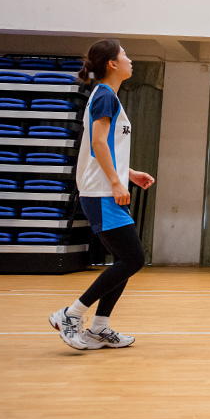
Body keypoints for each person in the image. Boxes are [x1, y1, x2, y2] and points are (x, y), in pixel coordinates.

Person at [49, 40, 155, 351]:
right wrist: (115, 183)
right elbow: (97, 143)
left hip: (104, 188)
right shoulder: (105, 95)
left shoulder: (107, 96)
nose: (130, 60)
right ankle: (71, 314)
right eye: (125, 55)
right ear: (112, 63)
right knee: (133, 258)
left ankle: (99, 327)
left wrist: (128, 173)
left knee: (125, 259)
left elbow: (105, 146)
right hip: (100, 192)